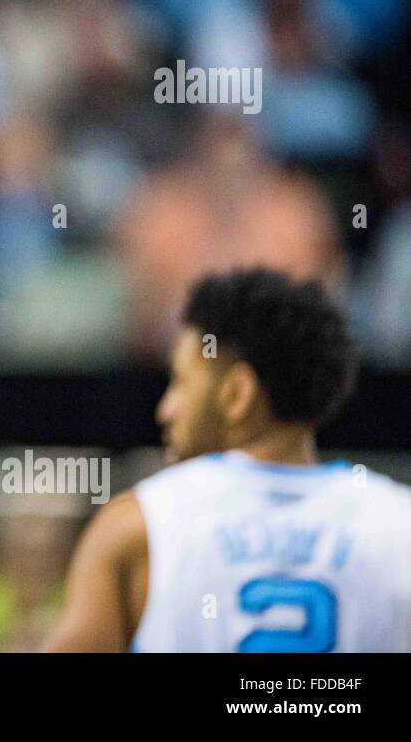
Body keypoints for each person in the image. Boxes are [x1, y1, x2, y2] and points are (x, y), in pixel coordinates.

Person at [45, 268, 411, 652]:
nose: (164, 410)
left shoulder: (138, 526)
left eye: (181, 382)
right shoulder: (400, 523)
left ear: (238, 393)